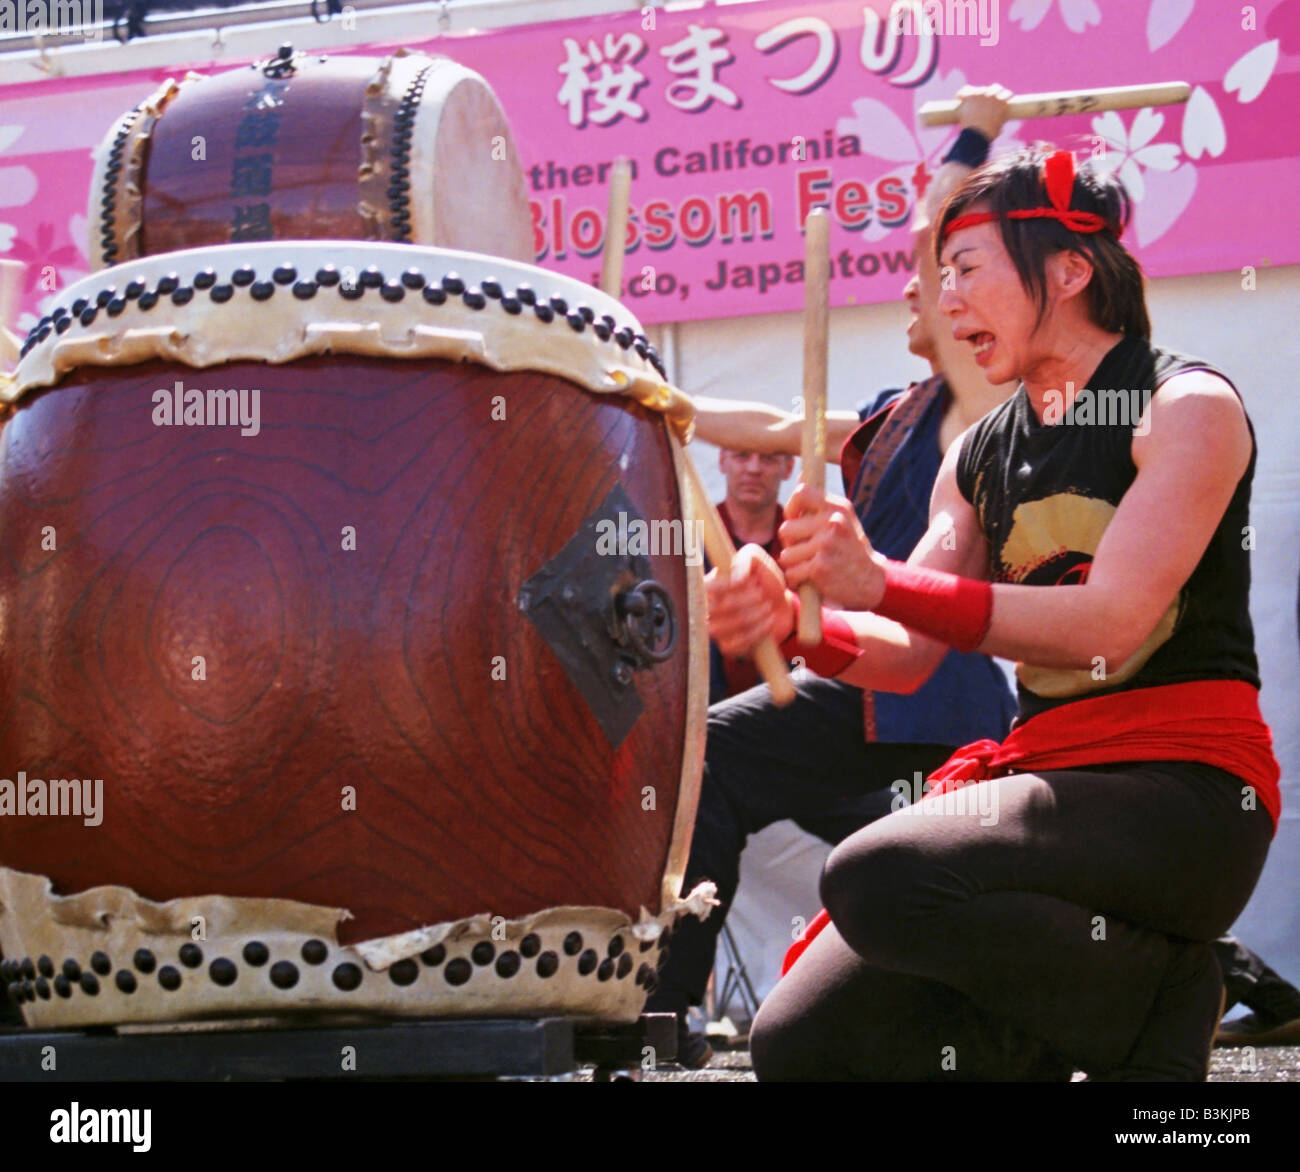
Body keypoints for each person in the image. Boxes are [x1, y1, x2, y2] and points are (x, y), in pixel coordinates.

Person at [712, 142, 1280, 1081]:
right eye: (941, 281)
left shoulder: (1185, 407)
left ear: (1068, 268)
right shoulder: (977, 453)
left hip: (1187, 799)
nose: (947, 303)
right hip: (1049, 792)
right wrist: (793, 623)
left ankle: (1161, 991)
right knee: (799, 1045)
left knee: (875, 874)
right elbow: (903, 654)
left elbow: (1111, 622)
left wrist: (877, 578)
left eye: (967, 271)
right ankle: (1086, 1029)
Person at [648, 88, 1019, 1068]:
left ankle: (1189, 959)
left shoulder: (971, 403)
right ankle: (665, 1006)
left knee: (946, 871)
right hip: (867, 700)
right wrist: (657, 399)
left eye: (937, 285)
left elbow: (932, 232)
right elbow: (766, 428)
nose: (916, 293)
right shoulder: (888, 418)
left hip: (937, 695)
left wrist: (978, 127)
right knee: (738, 766)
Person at [708, 447, 794, 702]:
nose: (754, 469)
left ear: (788, 468)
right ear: (723, 461)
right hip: (701, 712)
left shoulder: (806, 541)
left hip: (788, 714)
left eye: (768, 458)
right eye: (742, 455)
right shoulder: (683, 538)